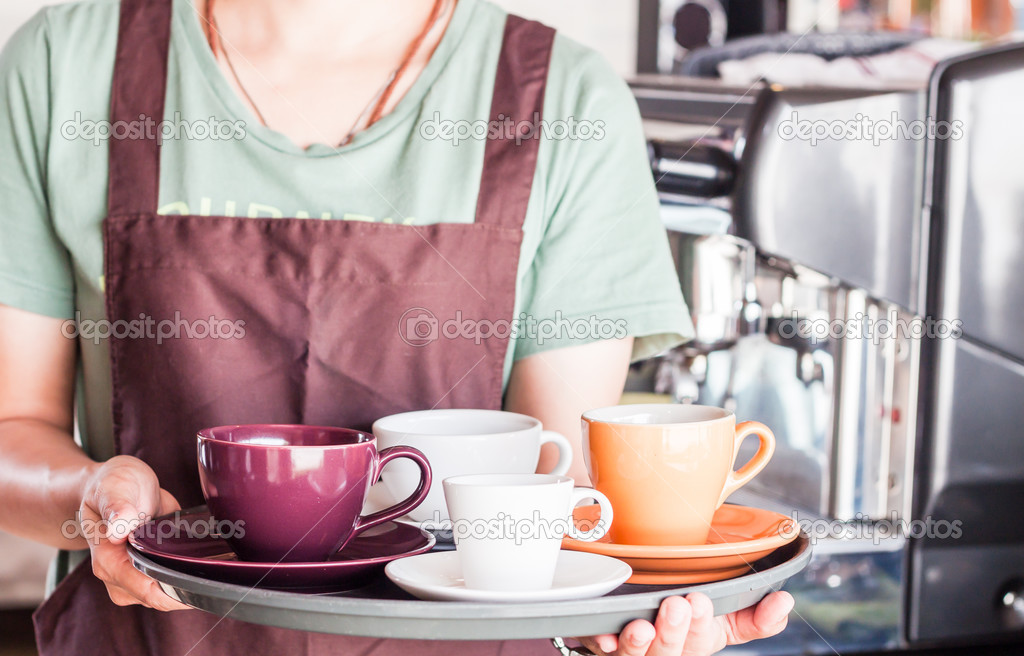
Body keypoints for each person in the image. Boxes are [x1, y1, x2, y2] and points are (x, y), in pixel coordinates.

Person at [0, 0, 795, 654]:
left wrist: (608, 624)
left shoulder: (566, 101)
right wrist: (93, 498)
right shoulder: (62, 67)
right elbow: (13, 432)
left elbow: (553, 503)